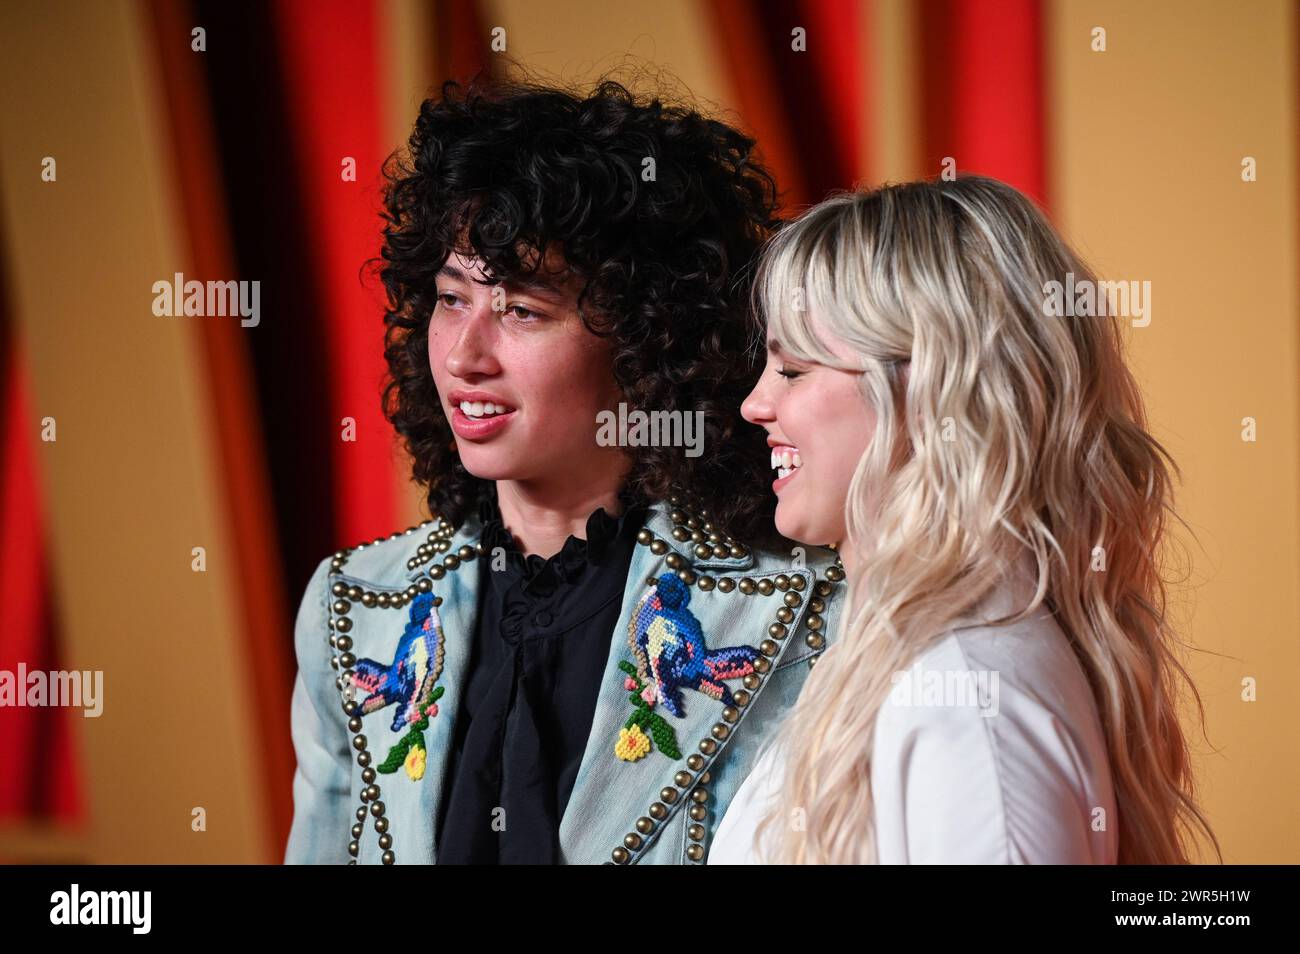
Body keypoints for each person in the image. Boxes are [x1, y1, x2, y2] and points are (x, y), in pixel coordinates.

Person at [283, 76, 846, 865]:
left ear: (648, 337)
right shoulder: (353, 606)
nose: (465, 356)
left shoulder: (806, 607)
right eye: (451, 300)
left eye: (521, 310)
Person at [711, 175, 1219, 864]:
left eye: (794, 370)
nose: (755, 404)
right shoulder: (905, 660)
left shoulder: (965, 696)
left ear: (931, 389)